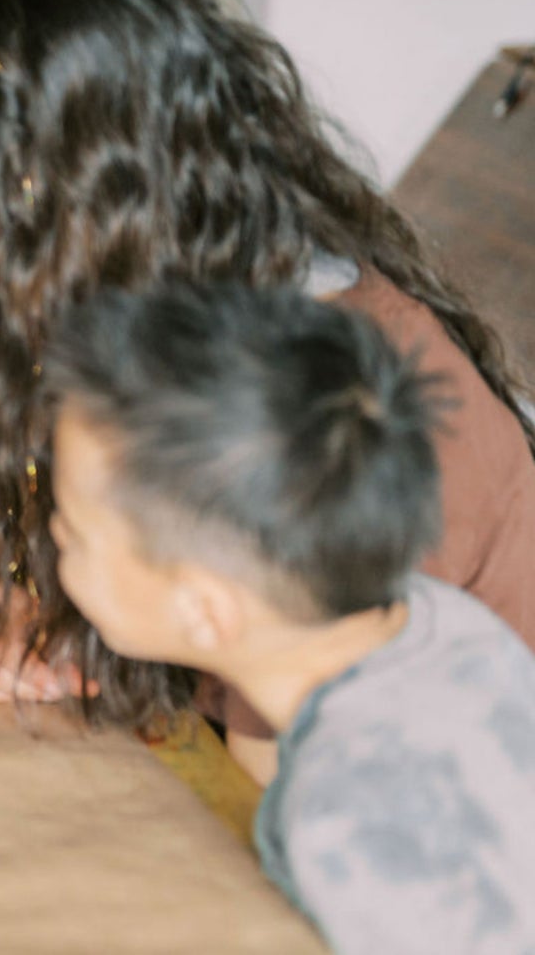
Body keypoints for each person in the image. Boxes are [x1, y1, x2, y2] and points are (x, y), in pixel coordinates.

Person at [0, 0, 535, 774]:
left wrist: (94, 648)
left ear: (72, 214)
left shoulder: (340, 410)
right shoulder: (181, 322)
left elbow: (313, 771)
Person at [42, 284, 535, 952]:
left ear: (204, 612)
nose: (52, 534)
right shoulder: (436, 618)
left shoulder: (347, 827)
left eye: (72, 533)